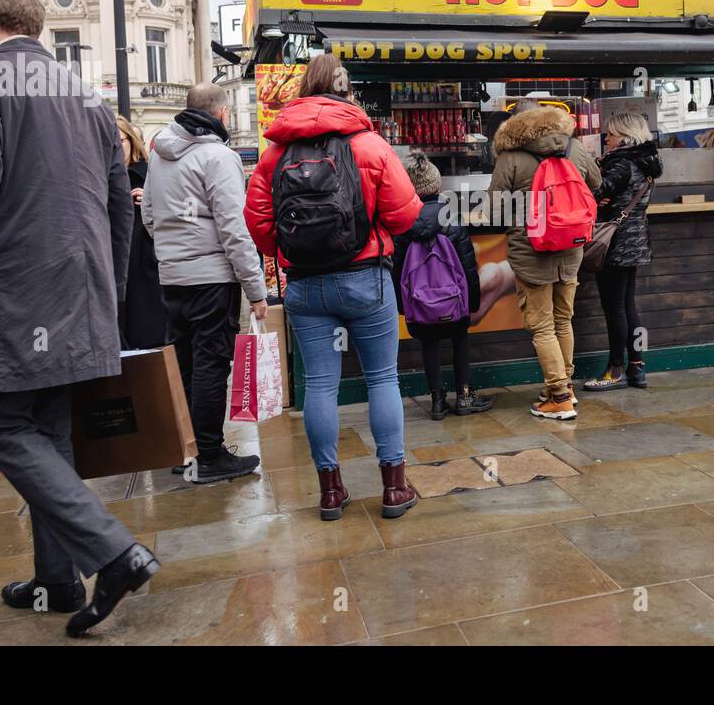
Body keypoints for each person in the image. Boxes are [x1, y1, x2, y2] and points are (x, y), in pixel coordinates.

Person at [0, 0, 156, 637]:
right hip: (79, 291)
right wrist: (106, 292)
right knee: (51, 433)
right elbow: (120, 208)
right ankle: (58, 579)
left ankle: (114, 553)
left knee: (1, 429)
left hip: (9, 294)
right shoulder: (88, 99)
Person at [245, 53, 423, 522]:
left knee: (320, 385)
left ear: (303, 90)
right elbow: (406, 214)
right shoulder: (370, 144)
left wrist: (291, 250)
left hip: (304, 285)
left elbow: (260, 225)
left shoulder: (274, 153)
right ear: (346, 92)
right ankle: (394, 487)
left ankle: (330, 492)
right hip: (366, 279)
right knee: (382, 378)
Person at [141, 83, 266, 485]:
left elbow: (149, 216)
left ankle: (188, 449)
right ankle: (210, 455)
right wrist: (255, 288)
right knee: (212, 364)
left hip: (172, 277)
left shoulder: (159, 156)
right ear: (223, 114)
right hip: (211, 278)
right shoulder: (219, 157)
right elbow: (233, 228)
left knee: (186, 364)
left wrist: (171, 252)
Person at [489, 103, 601, 420]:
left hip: (531, 250)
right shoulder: (575, 148)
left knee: (542, 328)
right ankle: (564, 386)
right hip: (571, 247)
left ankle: (559, 396)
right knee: (563, 320)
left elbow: (494, 208)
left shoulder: (510, 157)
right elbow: (596, 185)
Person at [392, 151, 489, 420]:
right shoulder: (453, 221)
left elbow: (398, 271)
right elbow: (468, 267)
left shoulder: (402, 226)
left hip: (420, 305)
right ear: (437, 185)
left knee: (429, 344)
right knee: (460, 341)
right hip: (454, 301)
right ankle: (465, 395)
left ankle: (437, 400)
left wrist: (403, 306)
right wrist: (472, 302)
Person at [584, 112, 662, 393]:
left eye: (612, 134)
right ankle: (637, 367)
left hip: (614, 242)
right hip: (636, 241)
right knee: (629, 305)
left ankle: (614, 369)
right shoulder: (646, 164)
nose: (607, 138)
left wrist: (599, 189)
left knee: (614, 307)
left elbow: (591, 194)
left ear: (626, 136)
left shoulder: (622, 164)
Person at [116, 115, 169, 350]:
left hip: (145, 264)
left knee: (148, 335)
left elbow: (176, 214)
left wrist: (150, 200)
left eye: (120, 141)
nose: (115, 148)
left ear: (132, 142)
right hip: (114, 266)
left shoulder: (149, 173)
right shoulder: (97, 176)